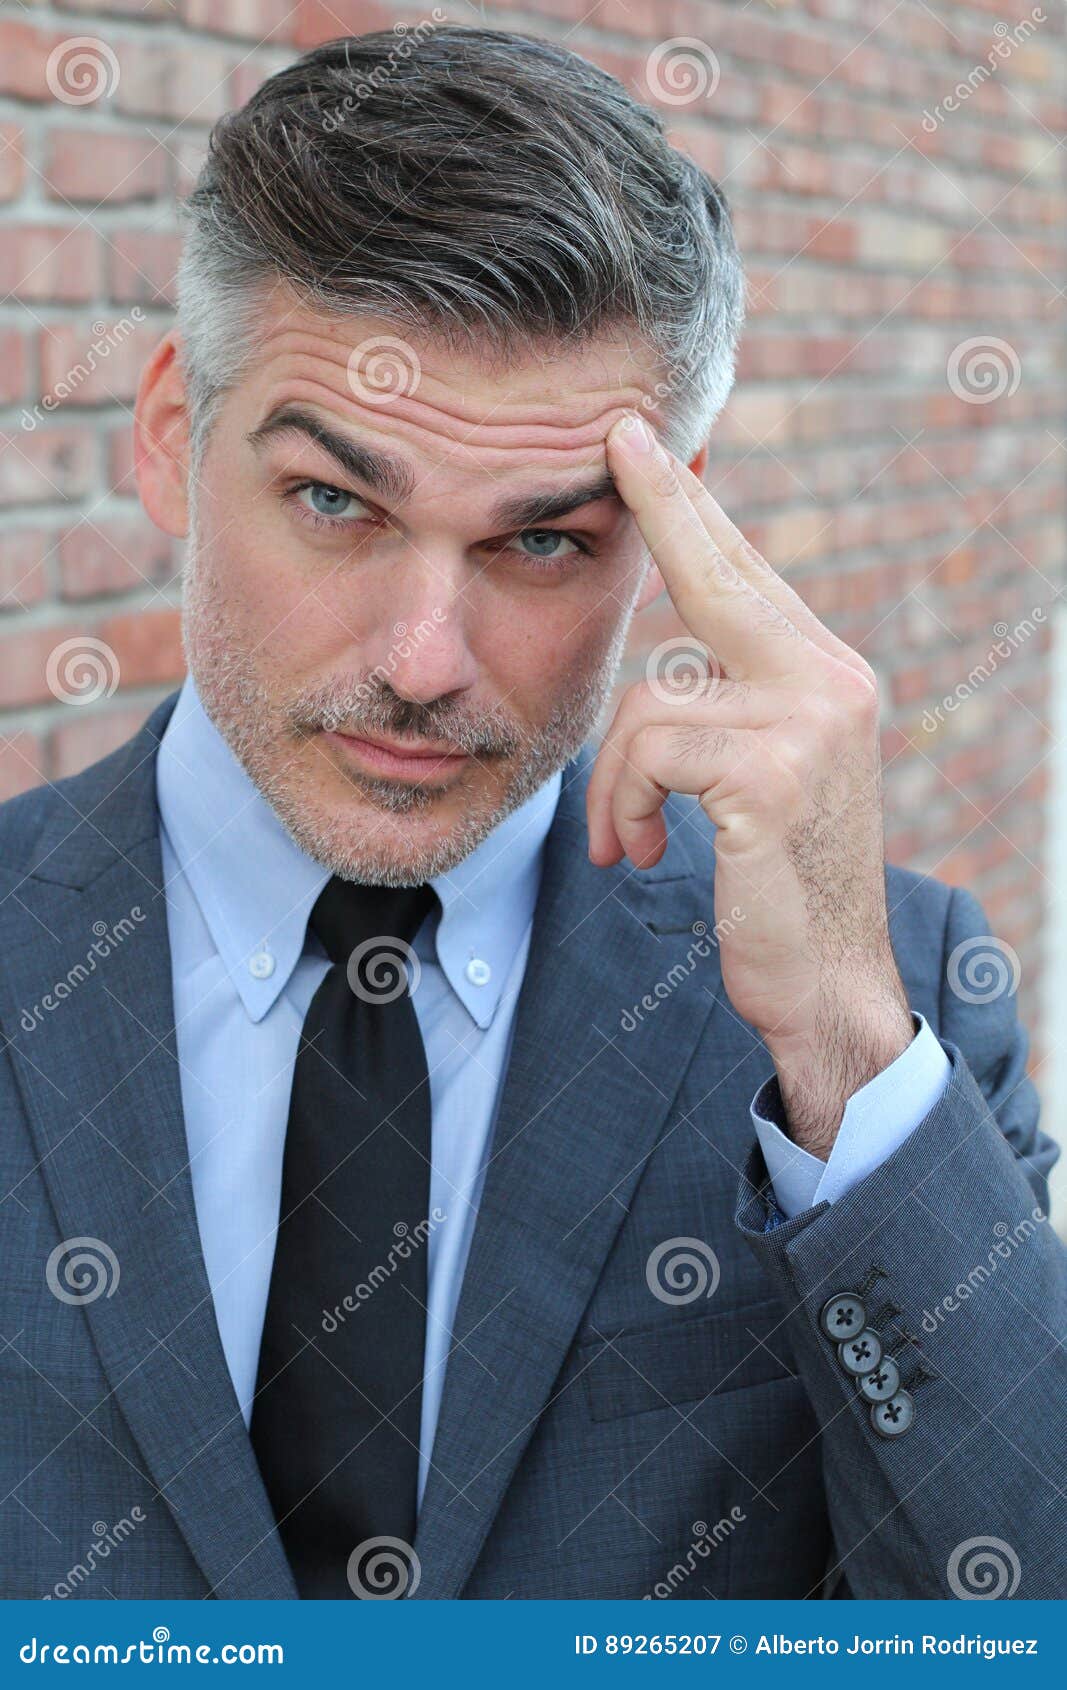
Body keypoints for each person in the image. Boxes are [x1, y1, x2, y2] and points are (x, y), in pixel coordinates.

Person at [0, 26, 1063, 1603]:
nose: (424, 663)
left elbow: (1017, 1607)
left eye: (545, 543)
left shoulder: (893, 1002)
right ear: (171, 436)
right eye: (335, 502)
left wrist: (841, 1037)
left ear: (671, 524)